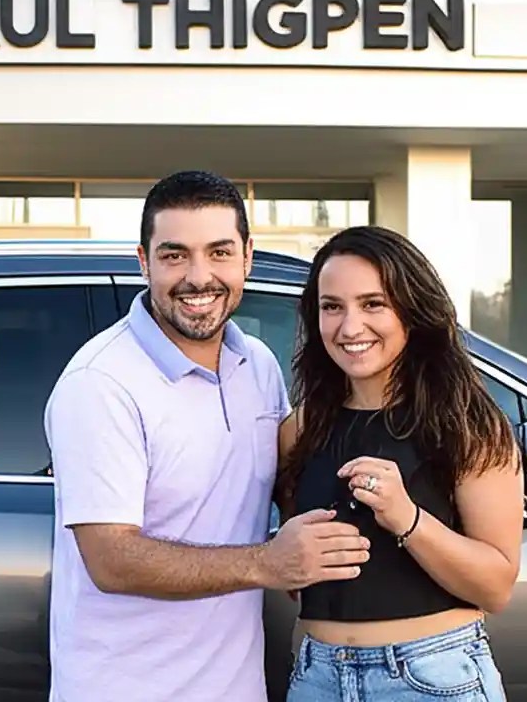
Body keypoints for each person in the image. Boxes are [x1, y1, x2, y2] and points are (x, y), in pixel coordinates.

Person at [43, 170, 372, 702]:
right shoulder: (101, 383)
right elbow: (110, 558)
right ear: (143, 261)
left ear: (247, 256)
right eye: (175, 255)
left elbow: (282, 476)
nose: (199, 277)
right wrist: (269, 562)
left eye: (219, 252)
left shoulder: (257, 364)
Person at [274, 225, 524, 701]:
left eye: (373, 304)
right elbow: (295, 572)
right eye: (332, 307)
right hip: (318, 676)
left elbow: (496, 587)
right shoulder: (299, 429)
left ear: (411, 310)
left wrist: (407, 519)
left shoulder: (467, 426)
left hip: (430, 676)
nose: (350, 328)